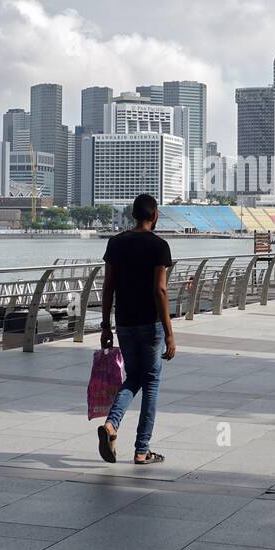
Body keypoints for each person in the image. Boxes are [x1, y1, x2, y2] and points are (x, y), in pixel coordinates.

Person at [96, 193, 176, 465]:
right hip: (150, 324)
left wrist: (106, 325)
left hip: (125, 323)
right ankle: (142, 450)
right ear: (154, 216)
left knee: (134, 377)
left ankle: (111, 424)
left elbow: (108, 286)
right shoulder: (159, 246)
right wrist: (169, 332)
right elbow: (160, 290)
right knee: (151, 382)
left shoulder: (115, 243)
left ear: (133, 215)